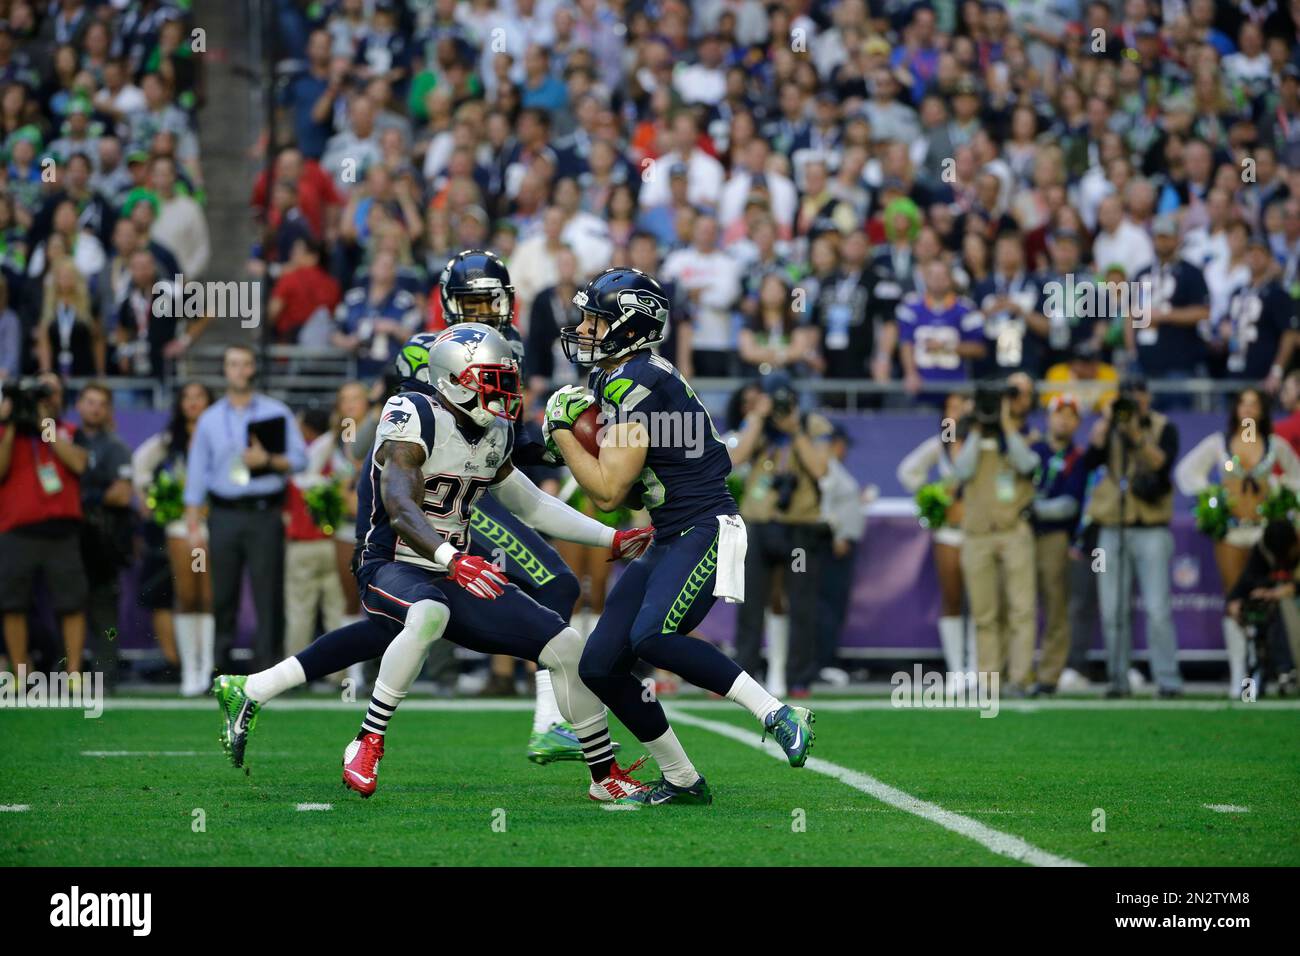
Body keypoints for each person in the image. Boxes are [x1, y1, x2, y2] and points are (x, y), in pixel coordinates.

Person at [213, 324, 654, 801]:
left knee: (567, 646)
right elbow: (401, 505)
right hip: (390, 562)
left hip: (450, 568)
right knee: (428, 613)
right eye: (493, 379)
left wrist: (611, 536)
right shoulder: (412, 414)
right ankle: (367, 740)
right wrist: (452, 559)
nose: (506, 391)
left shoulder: (495, 432)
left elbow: (530, 505)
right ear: (454, 380)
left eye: (507, 378)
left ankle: (604, 775)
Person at [546, 266, 816, 806]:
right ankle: (683, 779)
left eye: (596, 321)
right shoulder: (627, 376)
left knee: (651, 637)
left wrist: (560, 433)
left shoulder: (633, 381)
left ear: (628, 327)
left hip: (704, 526)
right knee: (599, 663)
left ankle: (779, 712)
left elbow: (607, 490)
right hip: (669, 531)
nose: (585, 330)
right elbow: (625, 491)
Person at [184, 344, 308, 673]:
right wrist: (193, 528)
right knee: (222, 593)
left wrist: (268, 460)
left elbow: (300, 460)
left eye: (245, 364)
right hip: (223, 514)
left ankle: (268, 669)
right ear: (225, 370)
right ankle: (220, 668)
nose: (239, 370)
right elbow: (196, 477)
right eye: (232, 364)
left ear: (253, 369)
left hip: (264, 512)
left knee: (268, 593)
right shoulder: (209, 420)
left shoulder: (275, 412)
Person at [1175, 387, 1300, 697]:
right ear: (1235, 409)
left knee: (1264, 602)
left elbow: (1297, 478)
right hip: (1231, 533)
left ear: (1262, 410)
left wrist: (1278, 491)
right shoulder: (1219, 443)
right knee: (1235, 602)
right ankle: (1239, 677)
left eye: (1254, 404)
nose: (1247, 409)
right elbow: (1186, 472)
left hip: (1263, 535)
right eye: (1242, 403)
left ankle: (1263, 673)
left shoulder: (1275, 445)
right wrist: (1212, 497)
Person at [728, 376, 834, 697]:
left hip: (798, 525)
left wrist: (795, 430)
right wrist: (759, 418)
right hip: (759, 523)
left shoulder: (813, 425)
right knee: (750, 603)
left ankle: (798, 676)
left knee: (800, 601)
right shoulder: (757, 424)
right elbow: (735, 460)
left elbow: (820, 469)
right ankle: (743, 674)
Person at [1083, 377, 1181, 698]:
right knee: (1112, 610)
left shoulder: (1164, 427)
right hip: (1113, 527)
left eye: (1139, 397)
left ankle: (1168, 680)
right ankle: (1117, 679)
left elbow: (1161, 464)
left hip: (1152, 528)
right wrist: (1108, 421)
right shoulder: (1110, 426)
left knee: (1157, 609)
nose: (1134, 404)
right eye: (1128, 399)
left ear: (1148, 398)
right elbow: (1090, 461)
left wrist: (1136, 434)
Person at [952, 380, 1040, 694]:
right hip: (977, 535)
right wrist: (978, 426)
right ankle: (990, 679)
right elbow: (960, 472)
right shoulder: (969, 435)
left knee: (1021, 609)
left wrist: (1004, 423)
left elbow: (1028, 464)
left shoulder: (1023, 435)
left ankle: (1019, 677)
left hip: (1013, 530)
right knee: (984, 612)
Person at [0, 374, 88, 674]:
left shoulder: (69, 430)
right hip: (16, 529)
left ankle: (73, 673)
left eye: (50, 393)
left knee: (71, 603)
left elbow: (78, 464)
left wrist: (44, 427)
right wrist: (12, 423)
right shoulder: (5, 431)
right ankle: (21, 672)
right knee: (12, 604)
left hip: (62, 530)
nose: (45, 400)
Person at [132, 381, 214, 695]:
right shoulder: (170, 440)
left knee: (208, 597)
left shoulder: (220, 435)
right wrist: (150, 499)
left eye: (199, 396)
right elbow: (141, 463)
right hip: (180, 524)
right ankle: (189, 671)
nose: (193, 403)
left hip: (213, 522)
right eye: (187, 398)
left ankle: (207, 669)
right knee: (186, 596)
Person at [897, 391, 975, 679]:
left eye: (961, 406)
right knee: (952, 596)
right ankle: (956, 671)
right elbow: (907, 471)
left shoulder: (980, 443)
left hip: (977, 530)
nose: (956, 412)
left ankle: (977, 670)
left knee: (980, 601)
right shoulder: (939, 446)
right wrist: (933, 496)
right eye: (951, 407)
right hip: (949, 532)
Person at [71, 383, 135, 691]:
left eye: (101, 403)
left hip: (103, 536)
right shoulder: (66, 439)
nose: (95, 408)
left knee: (103, 606)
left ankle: (105, 676)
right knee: (66, 603)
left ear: (108, 410)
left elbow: (122, 495)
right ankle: (64, 673)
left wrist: (82, 497)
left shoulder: (115, 446)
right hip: (68, 536)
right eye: (89, 401)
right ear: (79, 405)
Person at [1029, 394, 1089, 695]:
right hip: (1024, 535)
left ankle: (1049, 674)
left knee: (1055, 605)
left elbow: (1072, 504)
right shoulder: (1033, 450)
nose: (1063, 420)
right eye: (1058, 414)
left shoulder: (1077, 457)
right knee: (1019, 605)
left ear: (1077, 422)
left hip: (1054, 536)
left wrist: (1032, 508)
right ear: (1048, 418)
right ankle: (1019, 672)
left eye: (1070, 416)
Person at [817, 422, 865, 684]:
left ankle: (826, 659)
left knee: (835, 605)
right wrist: (836, 534)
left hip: (842, 544)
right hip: (833, 545)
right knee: (828, 604)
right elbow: (823, 504)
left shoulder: (836, 469)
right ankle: (822, 662)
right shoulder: (829, 468)